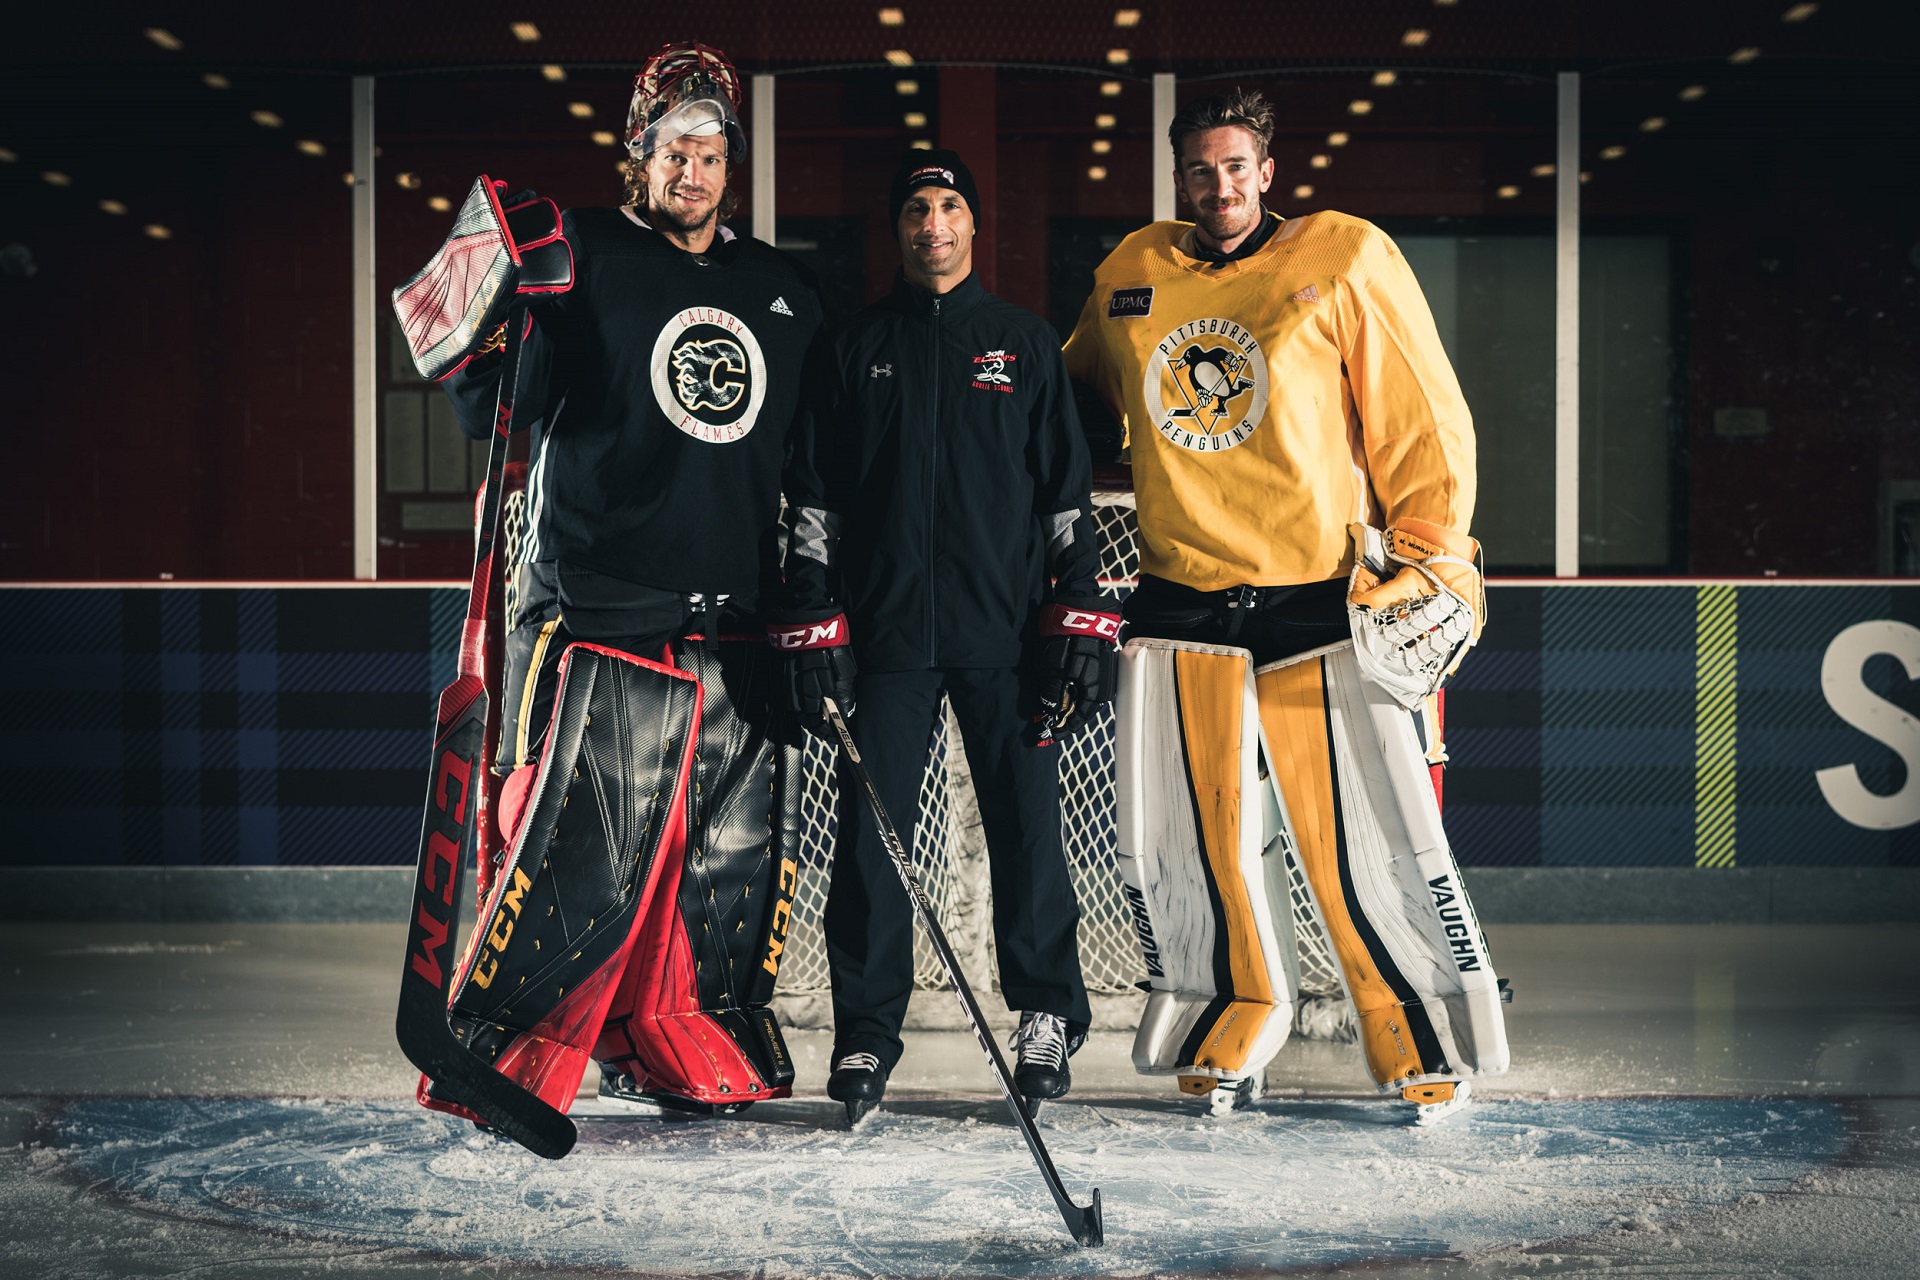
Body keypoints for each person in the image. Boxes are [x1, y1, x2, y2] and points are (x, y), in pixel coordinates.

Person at [392, 41, 826, 1128]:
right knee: (566, 828)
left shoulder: (780, 287)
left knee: (704, 851)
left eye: (712, 150)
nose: (694, 168)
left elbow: (807, 459)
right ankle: (511, 1046)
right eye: (674, 148)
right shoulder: (580, 248)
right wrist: (515, 301)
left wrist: (807, 592)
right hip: (594, 600)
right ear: (640, 156)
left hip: (728, 618)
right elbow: (489, 400)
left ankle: (680, 1033)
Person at [1062, 89, 1509, 1121]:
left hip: (1320, 595)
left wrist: (1436, 553)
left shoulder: (1344, 257)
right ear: (1178, 179)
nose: (1217, 186)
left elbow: (1420, 419)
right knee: (1187, 837)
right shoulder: (1133, 271)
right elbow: (1072, 398)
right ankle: (1230, 1011)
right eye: (1198, 170)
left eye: (1235, 166)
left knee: (1366, 836)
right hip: (1180, 595)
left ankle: (1414, 1022)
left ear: (1268, 169)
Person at [779, 149, 1113, 1125]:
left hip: (1005, 639)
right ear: (900, 226)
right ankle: (865, 1034)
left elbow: (1064, 498)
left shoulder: (1023, 343)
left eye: (950, 205)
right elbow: (812, 495)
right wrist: (811, 605)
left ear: (974, 224)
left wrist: (1076, 614)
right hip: (883, 640)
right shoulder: (852, 347)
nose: (935, 222)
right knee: (872, 842)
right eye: (918, 205)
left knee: (1028, 829)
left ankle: (1047, 1012)